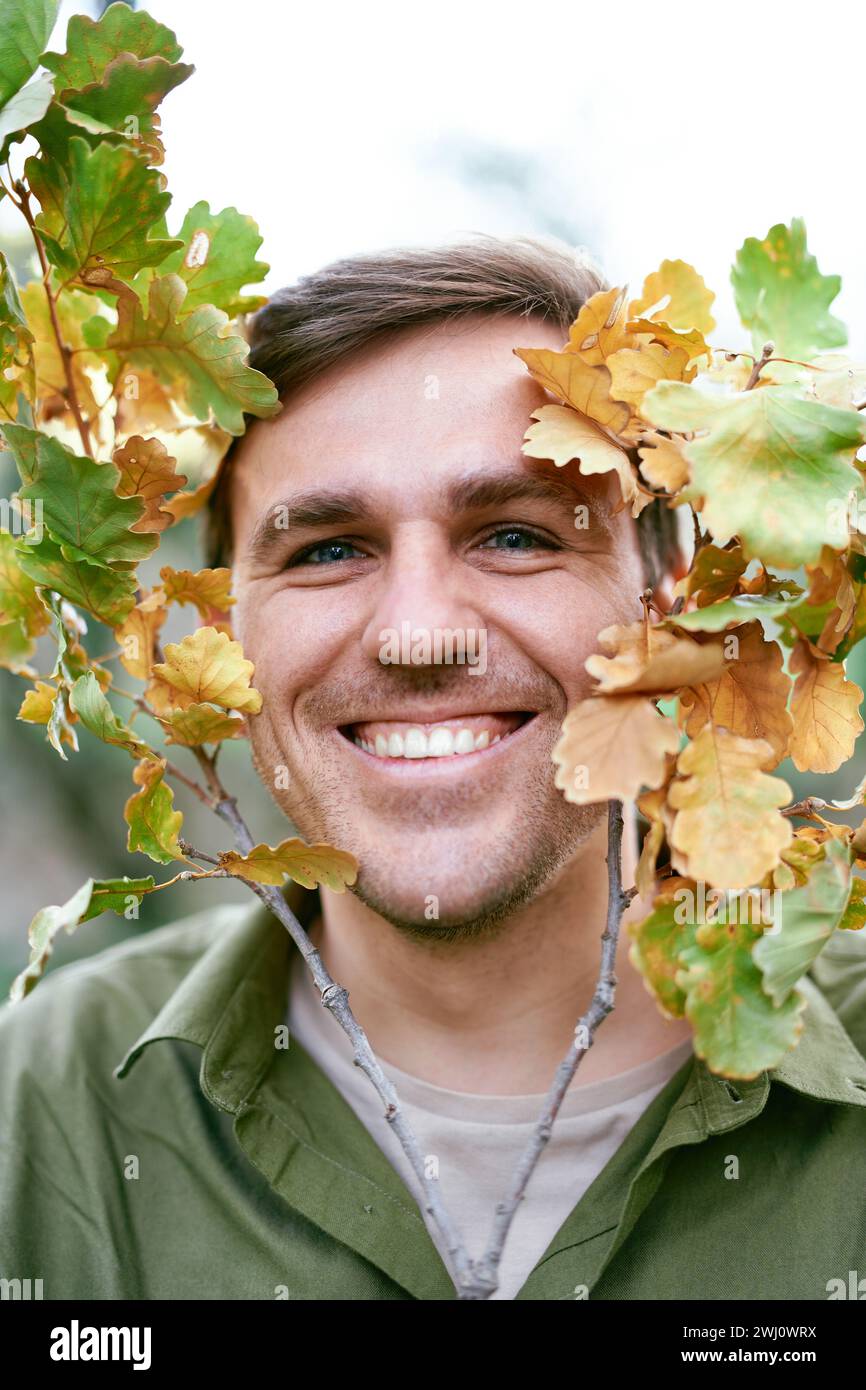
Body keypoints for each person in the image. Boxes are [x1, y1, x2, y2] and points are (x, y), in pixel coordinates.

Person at [2, 236, 865, 1302]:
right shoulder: (42, 1104)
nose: (418, 637)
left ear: (675, 602)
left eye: (512, 534)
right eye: (325, 550)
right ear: (224, 633)